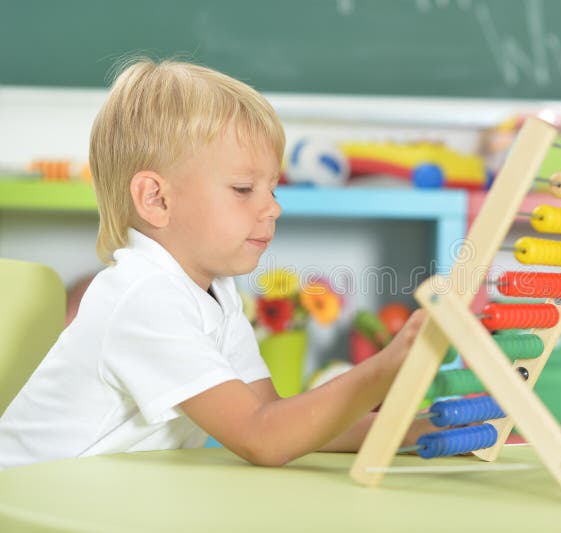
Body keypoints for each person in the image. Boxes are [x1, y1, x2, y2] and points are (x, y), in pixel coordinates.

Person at [0, 58, 431, 470]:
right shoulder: (143, 297)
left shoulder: (215, 292)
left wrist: (413, 431)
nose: (272, 209)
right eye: (244, 189)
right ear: (156, 199)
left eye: (272, 189)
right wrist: (384, 369)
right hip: (26, 499)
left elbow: (277, 417)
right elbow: (261, 437)